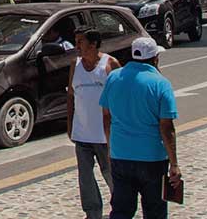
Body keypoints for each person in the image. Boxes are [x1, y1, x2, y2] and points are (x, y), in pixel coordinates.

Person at [100, 35, 179, 219]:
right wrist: (174, 164)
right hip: (152, 158)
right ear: (155, 58)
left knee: (121, 211)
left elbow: (106, 117)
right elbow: (167, 128)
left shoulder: (113, 78)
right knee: (155, 211)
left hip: (120, 155)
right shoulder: (160, 84)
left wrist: (111, 148)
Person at [68, 29, 117, 219]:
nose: (77, 46)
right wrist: (70, 125)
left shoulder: (110, 64)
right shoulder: (75, 65)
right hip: (82, 134)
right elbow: (71, 96)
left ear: (93, 44)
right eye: (76, 41)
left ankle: (121, 207)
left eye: (80, 41)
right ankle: (92, 213)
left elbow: (121, 95)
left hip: (105, 135)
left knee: (110, 173)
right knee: (85, 176)